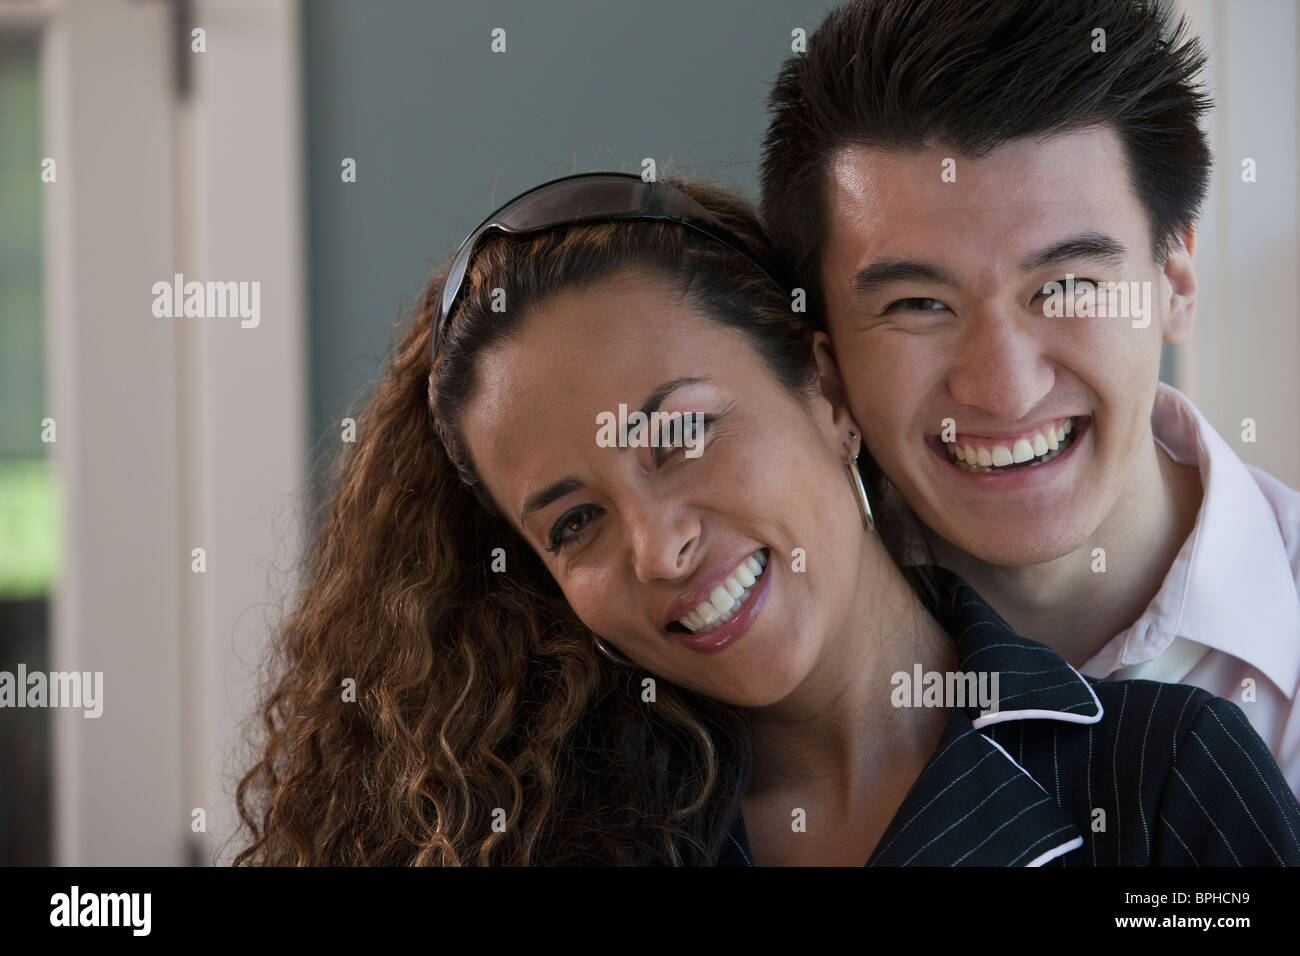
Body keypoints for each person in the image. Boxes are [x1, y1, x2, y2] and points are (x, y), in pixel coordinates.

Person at [234, 173, 1300, 866]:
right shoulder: (539, 839)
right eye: (573, 523)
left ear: (826, 389)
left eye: (681, 437)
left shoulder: (1159, 779)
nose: (656, 547)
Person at [759, 0, 1300, 796]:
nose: (1006, 390)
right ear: (830, 361)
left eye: (1068, 287)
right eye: (918, 305)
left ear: (1174, 282)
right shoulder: (746, 657)